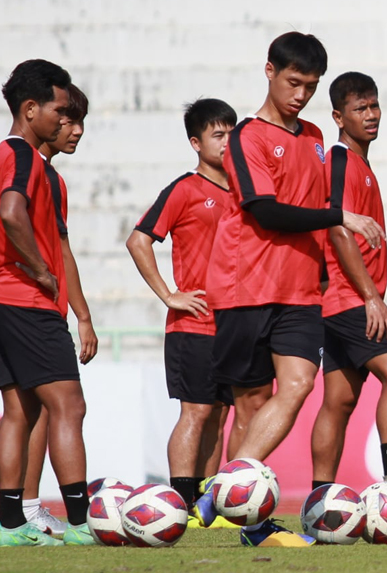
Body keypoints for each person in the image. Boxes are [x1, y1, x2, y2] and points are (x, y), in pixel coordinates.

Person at [194, 32, 383, 548]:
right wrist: (340, 215)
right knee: (252, 404)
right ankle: (251, 526)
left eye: (310, 86)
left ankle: (224, 488)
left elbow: (316, 207)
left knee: (298, 386)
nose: (300, 94)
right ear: (270, 71)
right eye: (293, 82)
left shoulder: (317, 135)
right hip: (244, 286)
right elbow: (266, 210)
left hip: (300, 291)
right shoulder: (246, 137)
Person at [0, 60, 95, 546]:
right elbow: (7, 211)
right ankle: (83, 524)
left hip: (3, 299)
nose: (66, 122)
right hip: (28, 304)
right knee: (69, 406)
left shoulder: (3, 156)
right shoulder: (24, 157)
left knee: (20, 412)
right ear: (31, 109)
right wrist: (37, 272)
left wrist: (5, 263)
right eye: (60, 110)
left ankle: (9, 525)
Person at [126, 98, 240, 528]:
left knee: (220, 413)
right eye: (217, 134)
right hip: (193, 323)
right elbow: (139, 241)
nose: (227, 141)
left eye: (232, 132)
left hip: (234, 324)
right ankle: (181, 500)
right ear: (196, 142)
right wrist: (169, 294)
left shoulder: (246, 191)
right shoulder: (184, 189)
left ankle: (210, 505)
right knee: (195, 411)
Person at [309, 72, 387, 489]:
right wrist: (372, 298)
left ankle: (320, 497)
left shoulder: (360, 163)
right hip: (351, 298)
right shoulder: (339, 159)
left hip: (341, 300)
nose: (371, 115)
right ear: (339, 116)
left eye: (374, 106)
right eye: (360, 109)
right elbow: (338, 228)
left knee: (338, 401)